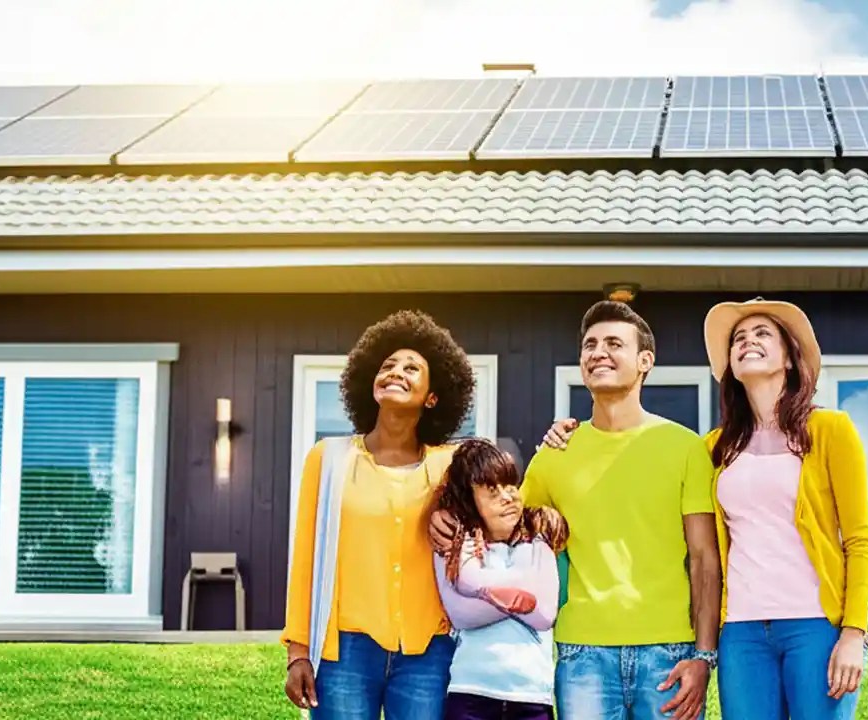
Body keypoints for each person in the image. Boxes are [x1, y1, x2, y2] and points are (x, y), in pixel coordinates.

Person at [543, 297, 868, 720]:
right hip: (741, 631)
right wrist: (569, 431)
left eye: (761, 335)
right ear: (729, 365)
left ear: (789, 358)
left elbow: (860, 541)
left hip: (815, 625)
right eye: (739, 338)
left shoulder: (830, 430)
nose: (747, 342)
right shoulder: (714, 447)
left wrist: (853, 634)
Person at [431, 300, 721, 720]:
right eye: (590, 344)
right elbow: (503, 520)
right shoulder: (554, 455)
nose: (598, 352)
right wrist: (444, 513)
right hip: (581, 654)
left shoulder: (686, 447)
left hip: (669, 651)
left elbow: (704, 560)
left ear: (645, 361)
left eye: (613, 343)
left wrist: (704, 656)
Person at [282, 309, 476, 720]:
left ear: (433, 396)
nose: (396, 372)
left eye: (412, 368)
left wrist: (558, 439)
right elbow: (305, 559)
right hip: (345, 653)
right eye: (387, 365)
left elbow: (506, 496)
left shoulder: (452, 465)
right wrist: (298, 651)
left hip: (429, 651)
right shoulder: (329, 458)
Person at [431, 437, 568, 720]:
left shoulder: (539, 540)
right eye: (491, 491)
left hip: (531, 697)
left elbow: (543, 614)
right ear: (469, 501)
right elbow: (462, 616)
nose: (507, 496)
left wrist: (481, 587)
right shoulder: (456, 546)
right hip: (470, 693)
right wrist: (519, 593)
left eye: (509, 485)